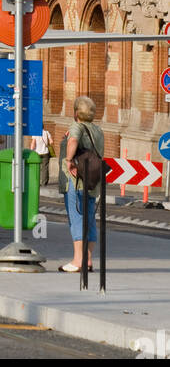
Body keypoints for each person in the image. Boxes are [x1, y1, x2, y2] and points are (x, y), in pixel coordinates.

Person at [59, 95, 104, 274]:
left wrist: (69, 160)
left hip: (76, 182)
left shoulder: (77, 126)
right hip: (92, 181)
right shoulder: (98, 130)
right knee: (90, 220)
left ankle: (78, 260)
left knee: (77, 218)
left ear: (77, 112)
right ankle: (88, 259)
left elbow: (73, 141)